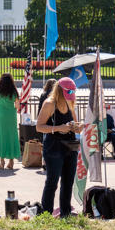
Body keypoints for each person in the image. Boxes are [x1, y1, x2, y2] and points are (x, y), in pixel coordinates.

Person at [36, 77, 82, 218]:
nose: (70, 97)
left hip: (70, 146)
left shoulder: (70, 102)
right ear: (59, 91)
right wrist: (58, 128)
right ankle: (46, 214)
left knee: (68, 182)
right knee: (52, 181)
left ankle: (65, 213)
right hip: (54, 147)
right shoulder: (49, 104)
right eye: (68, 93)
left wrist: (78, 127)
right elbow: (39, 126)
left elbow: (75, 124)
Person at [0, 73, 21, 169]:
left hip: (0, 114)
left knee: (1, 136)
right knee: (11, 136)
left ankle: (1, 161)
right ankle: (11, 161)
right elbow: (17, 106)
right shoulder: (13, 92)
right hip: (11, 115)